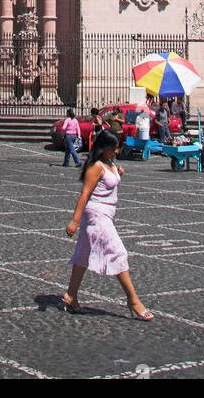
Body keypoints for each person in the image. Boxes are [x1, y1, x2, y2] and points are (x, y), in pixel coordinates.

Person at [62, 130, 152, 320]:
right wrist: (74, 221)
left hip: (107, 214)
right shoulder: (95, 166)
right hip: (96, 215)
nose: (116, 151)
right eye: (113, 148)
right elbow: (84, 194)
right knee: (118, 252)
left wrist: (117, 172)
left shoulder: (109, 163)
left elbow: (108, 182)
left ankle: (71, 295)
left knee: (83, 254)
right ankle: (133, 300)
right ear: (104, 148)